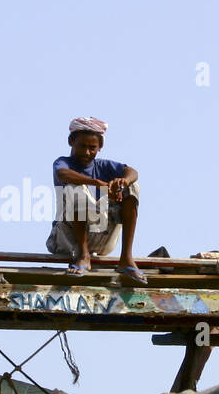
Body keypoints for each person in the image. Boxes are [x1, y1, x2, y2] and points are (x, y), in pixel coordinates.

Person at [45, 116, 147, 285]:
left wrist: (123, 182)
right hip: (67, 240)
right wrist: (97, 183)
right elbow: (62, 174)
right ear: (71, 142)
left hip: (101, 239)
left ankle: (126, 259)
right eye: (82, 146)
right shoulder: (63, 163)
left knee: (132, 187)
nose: (87, 152)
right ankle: (83, 255)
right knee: (75, 188)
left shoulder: (103, 166)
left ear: (100, 147)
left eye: (92, 148)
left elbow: (132, 172)